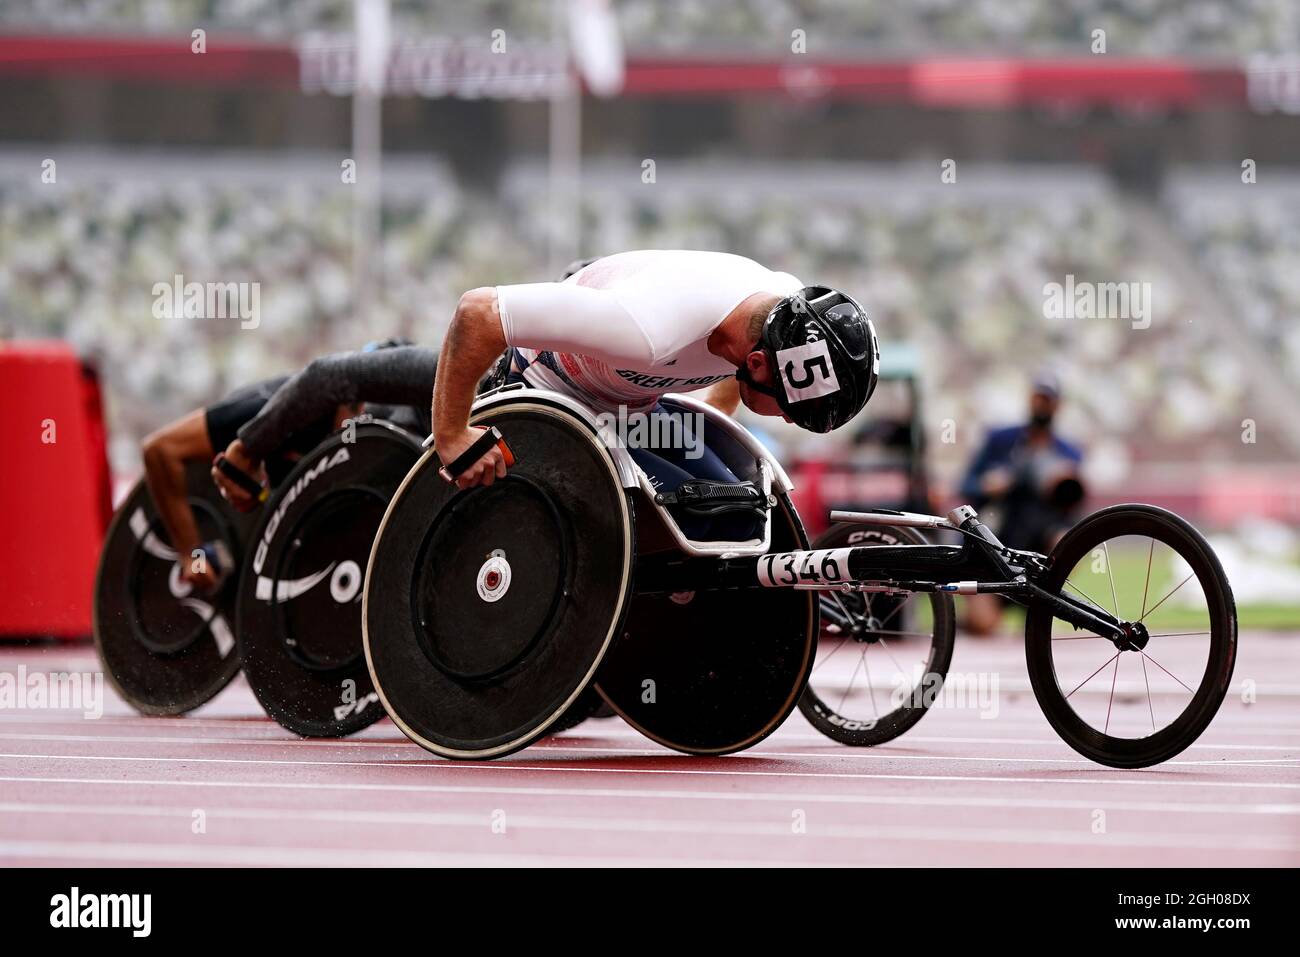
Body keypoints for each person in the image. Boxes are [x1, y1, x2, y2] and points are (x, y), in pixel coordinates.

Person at [213, 250, 880, 527]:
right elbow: (477, 313)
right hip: (529, 386)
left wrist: (701, 422)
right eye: (792, 411)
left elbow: (729, 383)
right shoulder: (645, 328)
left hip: (623, 405)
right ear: (759, 363)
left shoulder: (778, 309)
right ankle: (244, 450)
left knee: (734, 513)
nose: (786, 423)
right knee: (353, 374)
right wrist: (453, 435)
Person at [142, 339, 411, 591]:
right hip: (215, 520)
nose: (356, 432)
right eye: (356, 418)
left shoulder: (383, 441)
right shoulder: (281, 413)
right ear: (344, 399)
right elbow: (159, 450)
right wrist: (191, 554)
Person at [959, 371, 1085, 635]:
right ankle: (971, 616)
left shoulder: (1069, 452)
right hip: (997, 546)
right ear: (1029, 399)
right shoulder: (1001, 441)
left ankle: (1045, 599)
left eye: (1047, 400)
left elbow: (1075, 509)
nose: (1041, 405)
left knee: (1066, 538)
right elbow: (965, 485)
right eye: (1038, 398)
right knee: (983, 626)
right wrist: (988, 486)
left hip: (1041, 553)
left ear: (1057, 405)